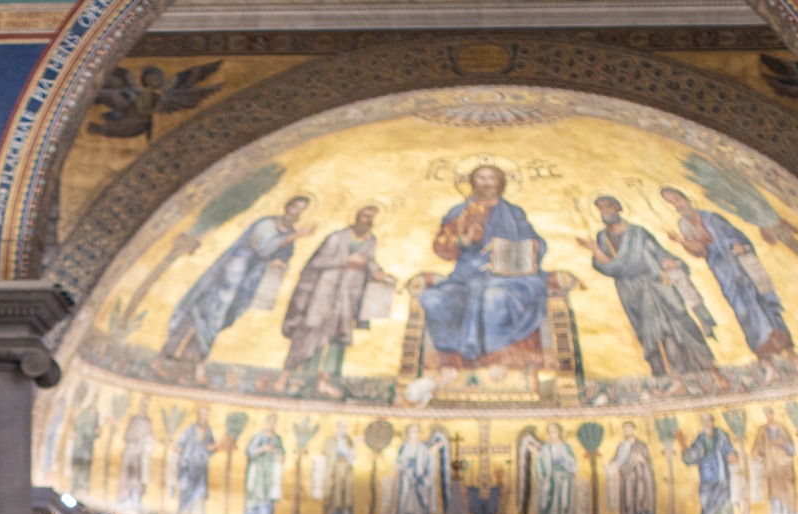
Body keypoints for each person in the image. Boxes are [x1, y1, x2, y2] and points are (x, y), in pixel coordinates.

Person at [418, 165, 548, 383]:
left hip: (509, 278)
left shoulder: (513, 213)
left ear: (500, 183)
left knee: (494, 298)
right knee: (433, 299)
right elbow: (441, 245)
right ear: (472, 182)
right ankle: (452, 361)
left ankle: (497, 359)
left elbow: (536, 243)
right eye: (481, 178)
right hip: (465, 279)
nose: (486, 183)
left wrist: (530, 248)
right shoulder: (459, 212)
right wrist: (465, 239)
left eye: (491, 178)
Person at [164, 196, 313, 383]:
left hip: (247, 283)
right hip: (229, 277)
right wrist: (292, 237)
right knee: (204, 315)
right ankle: (166, 358)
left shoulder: (289, 233)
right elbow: (261, 248)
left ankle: (188, 364)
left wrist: (279, 262)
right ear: (287, 206)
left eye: (302, 210)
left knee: (218, 321)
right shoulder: (266, 224)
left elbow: (281, 255)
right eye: (295, 207)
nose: (297, 213)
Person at [576, 195, 714, 384]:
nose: (605, 212)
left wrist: (674, 262)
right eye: (601, 209)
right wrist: (596, 251)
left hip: (656, 285)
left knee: (677, 322)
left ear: (618, 208)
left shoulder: (638, 233)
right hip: (631, 291)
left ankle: (705, 368)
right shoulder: (602, 237)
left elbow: (658, 253)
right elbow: (609, 266)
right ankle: (667, 377)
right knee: (649, 334)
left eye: (608, 207)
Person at [660, 187, 794, 371]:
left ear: (687, 199)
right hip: (722, 271)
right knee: (742, 311)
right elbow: (701, 252)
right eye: (672, 203)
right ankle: (764, 356)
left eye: (677, 199)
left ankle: (790, 353)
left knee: (761, 302)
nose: (677, 205)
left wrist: (738, 245)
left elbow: (738, 237)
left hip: (740, 265)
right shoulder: (683, 226)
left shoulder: (712, 218)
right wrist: (681, 241)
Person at [279, 205, 393, 398]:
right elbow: (318, 262)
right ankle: (286, 376)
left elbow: (369, 262)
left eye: (371, 218)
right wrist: (346, 261)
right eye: (364, 215)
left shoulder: (371, 240)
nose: (367, 220)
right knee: (309, 328)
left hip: (348, 294)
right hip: (324, 290)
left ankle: (323, 382)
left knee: (336, 336)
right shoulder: (337, 237)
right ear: (356, 216)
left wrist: (378, 273)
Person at [681, 412, 738, 514]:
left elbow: (730, 451)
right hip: (706, 479)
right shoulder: (700, 439)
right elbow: (690, 458)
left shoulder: (721, 436)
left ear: (713, 422)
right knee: (707, 505)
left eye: (709, 421)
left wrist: (732, 455)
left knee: (724, 504)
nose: (707, 424)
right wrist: (682, 446)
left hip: (721, 477)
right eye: (704, 422)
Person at [609, 421, 657, 514]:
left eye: (629, 428)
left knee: (642, 505)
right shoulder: (621, 446)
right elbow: (616, 461)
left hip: (641, 481)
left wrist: (642, 460)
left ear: (633, 430)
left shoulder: (641, 446)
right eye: (624, 429)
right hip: (627, 482)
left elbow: (649, 464)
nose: (626, 431)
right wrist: (612, 464)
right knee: (628, 506)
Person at [751, 406, 798, 514]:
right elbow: (758, 447)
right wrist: (756, 452)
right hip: (772, 466)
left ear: (773, 414)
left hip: (785, 466)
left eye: (769, 414)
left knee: (788, 490)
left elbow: (792, 449)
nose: (768, 417)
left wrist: (783, 443)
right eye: (766, 414)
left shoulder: (782, 428)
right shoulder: (763, 430)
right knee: (774, 492)